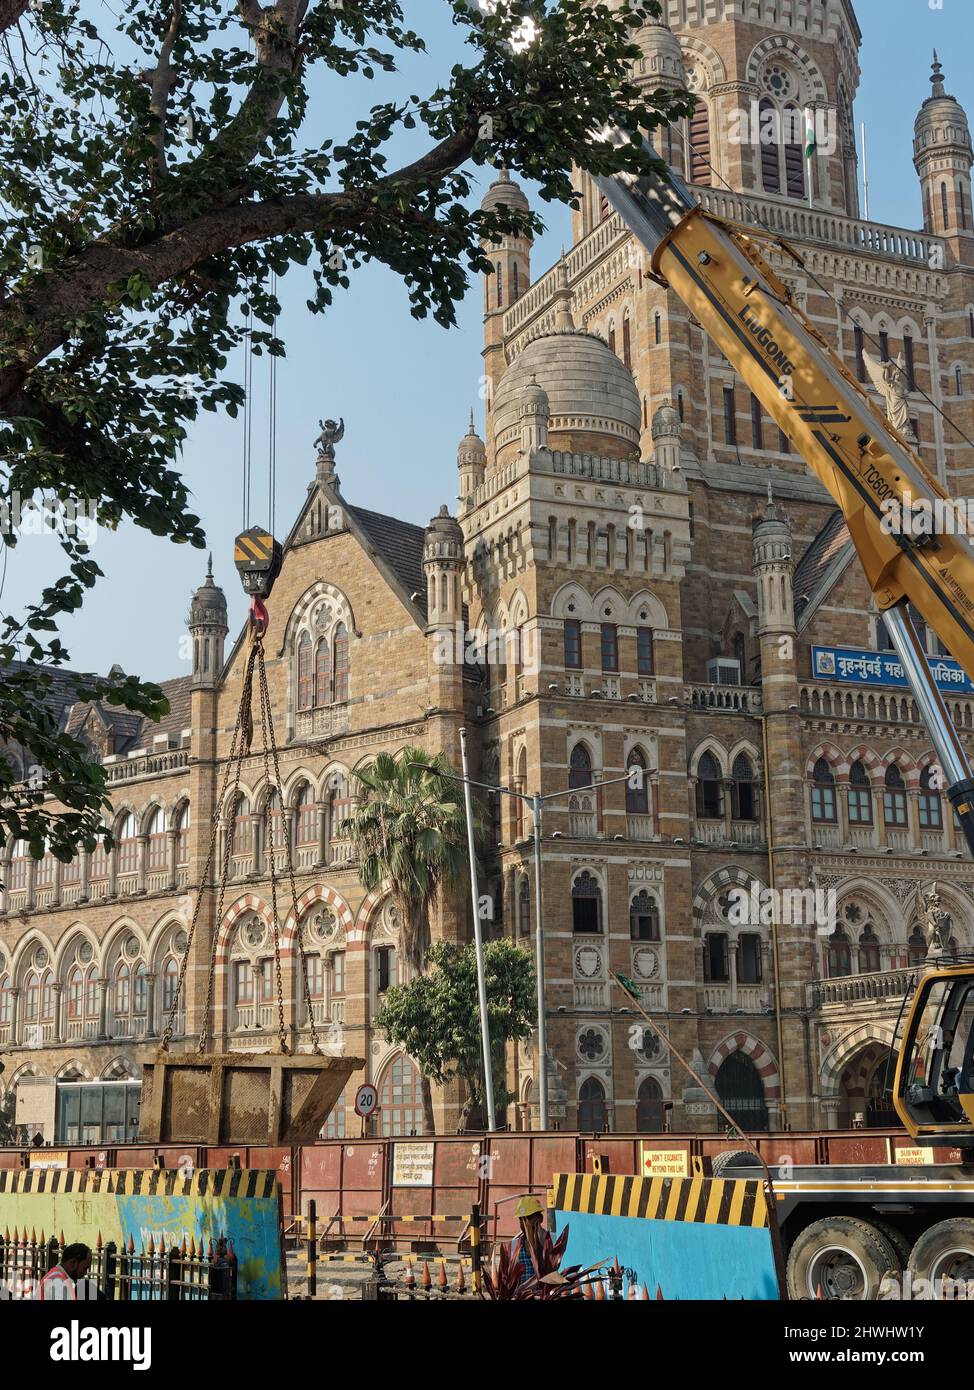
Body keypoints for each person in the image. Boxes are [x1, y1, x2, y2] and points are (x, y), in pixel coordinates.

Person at [511, 1195, 546, 1287]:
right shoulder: (515, 1246)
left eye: (528, 1218)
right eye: (521, 1219)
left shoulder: (551, 1242)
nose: (524, 1223)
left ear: (540, 1219)